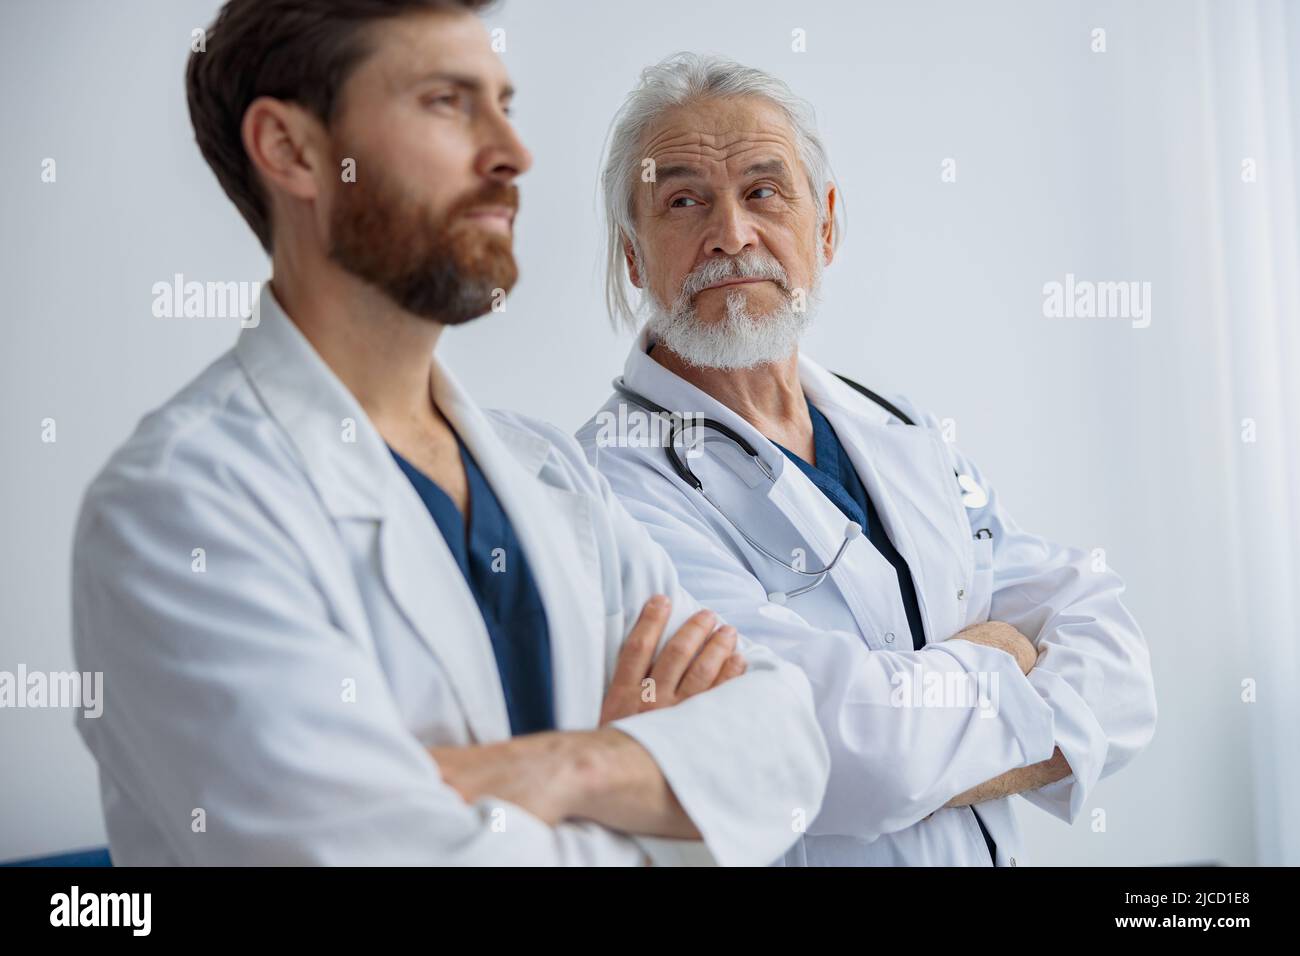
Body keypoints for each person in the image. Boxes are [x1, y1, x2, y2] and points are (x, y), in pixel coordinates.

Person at [70, 4, 828, 866]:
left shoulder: (545, 470)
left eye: (502, 102)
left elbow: (787, 749)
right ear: (291, 150)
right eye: (446, 102)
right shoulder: (178, 511)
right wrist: (651, 786)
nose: (513, 151)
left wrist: (565, 766)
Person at [579, 52, 1157, 866]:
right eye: (684, 201)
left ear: (826, 226)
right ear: (634, 255)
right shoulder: (608, 487)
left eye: (763, 191)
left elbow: (1116, 658)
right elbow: (832, 755)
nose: (732, 234)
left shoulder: (896, 428)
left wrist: (917, 728)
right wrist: (1008, 662)